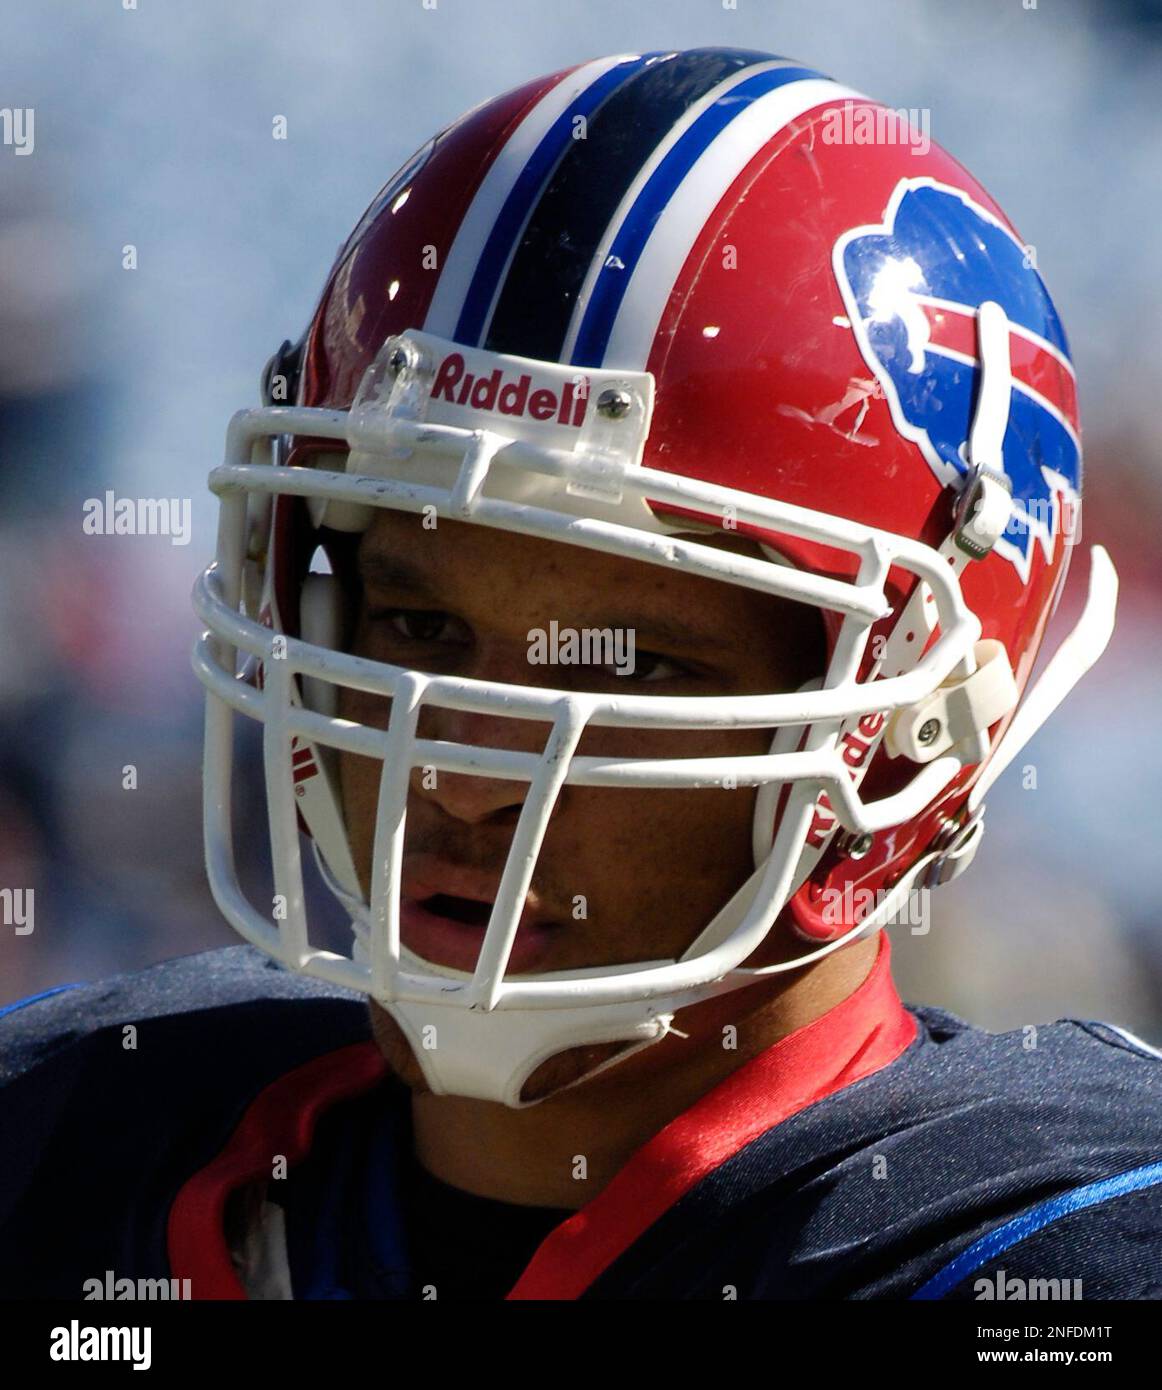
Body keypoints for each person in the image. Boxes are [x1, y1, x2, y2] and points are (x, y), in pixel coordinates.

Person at [3, 46, 1158, 1301]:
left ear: (906, 727)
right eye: (415, 625)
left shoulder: (1052, 1267)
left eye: (636, 667)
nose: (452, 768)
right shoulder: (69, 1147)